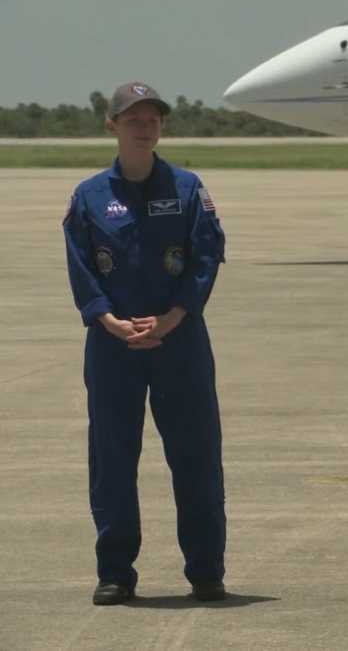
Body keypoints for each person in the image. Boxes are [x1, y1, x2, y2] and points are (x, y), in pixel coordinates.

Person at [63, 82, 228, 605]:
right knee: (112, 458)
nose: (144, 125)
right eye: (132, 117)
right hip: (112, 346)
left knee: (196, 456)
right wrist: (106, 320)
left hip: (179, 341)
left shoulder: (187, 188)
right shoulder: (89, 195)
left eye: (152, 116)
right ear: (111, 124)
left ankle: (206, 571)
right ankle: (115, 572)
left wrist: (175, 316)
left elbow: (205, 256)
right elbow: (81, 264)